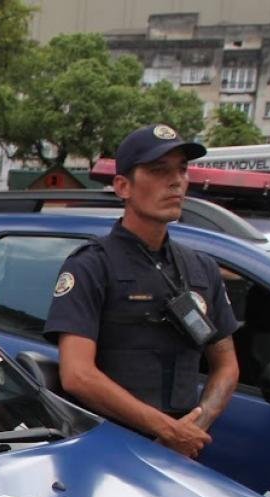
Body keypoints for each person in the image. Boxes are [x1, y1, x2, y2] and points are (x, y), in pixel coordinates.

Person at [43, 124, 239, 459]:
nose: (176, 181)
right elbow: (77, 375)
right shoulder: (91, 266)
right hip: (109, 450)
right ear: (123, 186)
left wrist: (194, 426)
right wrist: (165, 429)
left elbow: (227, 364)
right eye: (159, 170)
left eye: (181, 169)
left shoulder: (201, 268)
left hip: (180, 451)